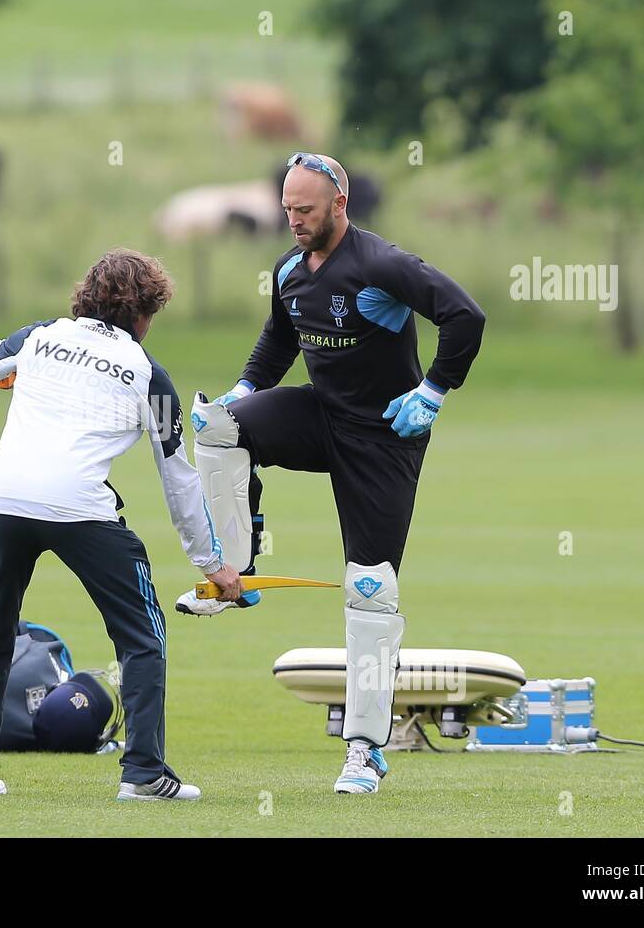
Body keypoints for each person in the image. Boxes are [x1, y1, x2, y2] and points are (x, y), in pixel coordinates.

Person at [175, 153, 486, 794]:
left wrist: (432, 391)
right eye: (287, 209)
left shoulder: (382, 265)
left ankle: (364, 753)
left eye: (305, 210)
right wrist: (245, 387)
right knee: (214, 425)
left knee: (370, 589)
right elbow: (279, 339)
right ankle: (234, 572)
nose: (293, 220)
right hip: (322, 417)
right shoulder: (289, 270)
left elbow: (465, 317)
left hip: (384, 438)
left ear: (340, 206)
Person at [0, 248, 243, 802]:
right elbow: (179, 480)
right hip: (79, 506)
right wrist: (213, 565)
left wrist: (14, 368)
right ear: (144, 314)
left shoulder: (39, 335)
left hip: (2, 500)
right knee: (141, 639)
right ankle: (145, 774)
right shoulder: (152, 375)